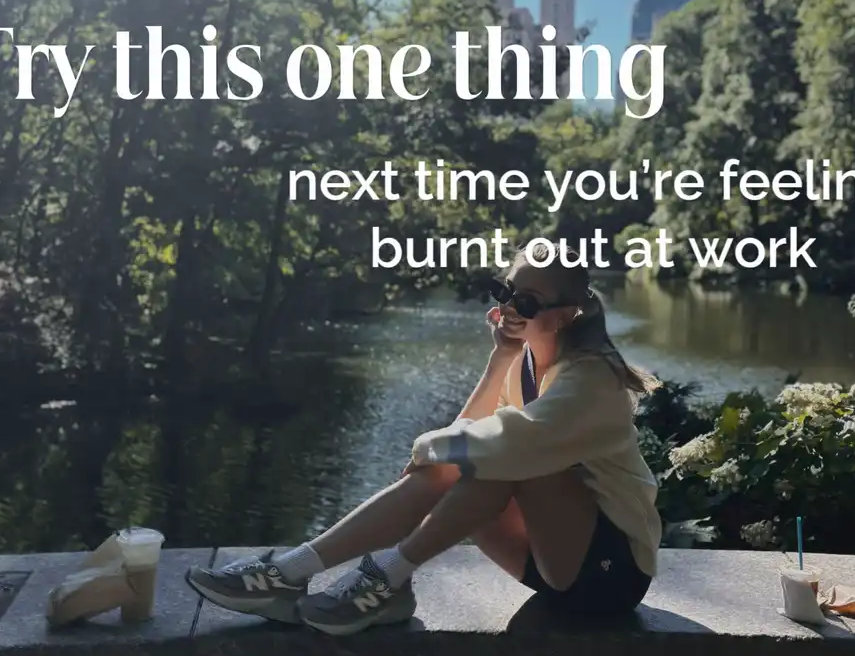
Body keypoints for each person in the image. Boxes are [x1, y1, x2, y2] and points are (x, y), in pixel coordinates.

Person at [186, 250, 663, 635]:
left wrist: (428, 449)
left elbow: (511, 442)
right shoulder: (526, 363)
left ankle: (377, 576)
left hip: (610, 576)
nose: (511, 308)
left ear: (564, 316)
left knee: (512, 458)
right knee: (480, 461)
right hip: (544, 563)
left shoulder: (591, 377)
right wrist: (501, 359)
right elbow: (468, 438)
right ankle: (298, 572)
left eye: (529, 301)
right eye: (506, 292)